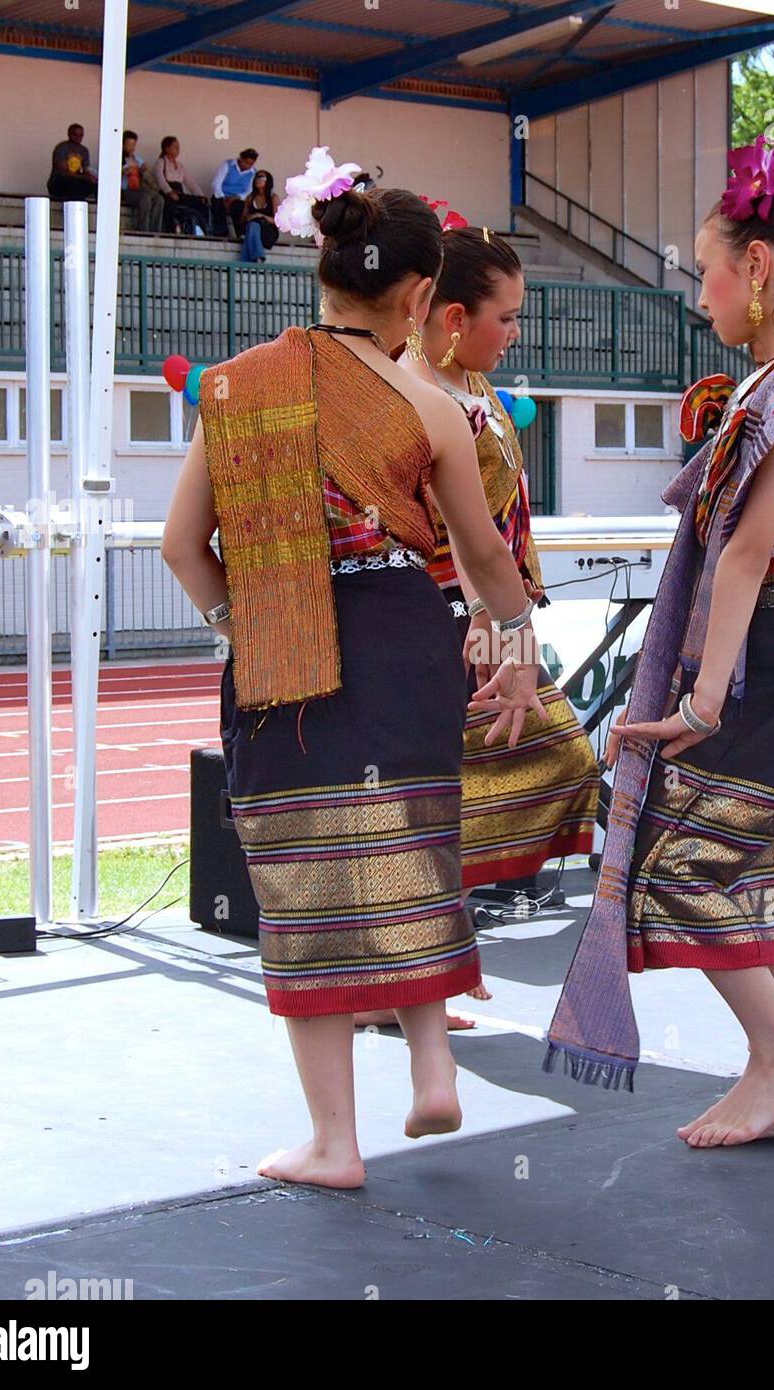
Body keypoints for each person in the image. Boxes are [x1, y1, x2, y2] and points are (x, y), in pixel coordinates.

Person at [162, 153, 545, 1190]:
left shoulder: (237, 388)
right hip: (405, 640)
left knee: (301, 886)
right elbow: (488, 561)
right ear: (422, 297)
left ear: (320, 271)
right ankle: (431, 1064)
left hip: (286, 650)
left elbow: (181, 544)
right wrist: (517, 659)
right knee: (412, 843)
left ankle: (334, 1141)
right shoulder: (434, 410)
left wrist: (247, 620)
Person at [546, 133, 774, 1147]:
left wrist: (702, 697)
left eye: (705, 271)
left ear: (758, 269)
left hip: (770, 664)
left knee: (686, 870)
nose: (699, 294)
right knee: (760, 863)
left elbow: (746, 554)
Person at [400, 223, 599, 891]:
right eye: (507, 317)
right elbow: (457, 524)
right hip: (448, 614)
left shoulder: (473, 382)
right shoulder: (415, 388)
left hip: (488, 605)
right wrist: (488, 612)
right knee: (440, 783)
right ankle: (434, 929)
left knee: (543, 757)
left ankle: (455, 915)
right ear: (454, 316)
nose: (516, 331)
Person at [153, 137, 209, 236]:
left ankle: (204, 228)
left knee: (200, 202)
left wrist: (201, 195)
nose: (178, 149)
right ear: (167, 148)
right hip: (166, 193)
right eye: (175, 147)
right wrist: (169, 191)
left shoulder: (180, 166)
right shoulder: (161, 162)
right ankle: (173, 228)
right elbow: (160, 179)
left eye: (178, 147)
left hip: (179, 193)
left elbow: (191, 183)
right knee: (170, 203)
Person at [120, 130, 164, 234]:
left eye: (133, 144)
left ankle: (155, 231)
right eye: (128, 144)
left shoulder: (137, 159)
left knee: (159, 199)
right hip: (125, 191)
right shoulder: (117, 157)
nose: (131, 147)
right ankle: (143, 230)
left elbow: (146, 175)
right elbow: (109, 175)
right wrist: (123, 172)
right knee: (146, 198)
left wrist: (143, 170)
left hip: (139, 189)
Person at [211, 148, 258, 237]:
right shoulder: (227, 164)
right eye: (246, 162)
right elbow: (216, 183)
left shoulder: (253, 173)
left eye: (250, 164)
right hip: (221, 195)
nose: (247, 166)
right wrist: (223, 198)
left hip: (237, 199)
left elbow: (249, 191)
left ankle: (241, 234)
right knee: (218, 205)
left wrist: (236, 197)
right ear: (241, 159)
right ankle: (221, 234)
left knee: (239, 207)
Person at [47, 123, 97, 201]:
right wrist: (83, 177)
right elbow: (63, 172)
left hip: (76, 182)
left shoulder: (84, 150)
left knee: (96, 185)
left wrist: (91, 177)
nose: (78, 137)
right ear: (69, 134)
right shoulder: (62, 148)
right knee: (73, 183)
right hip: (58, 183)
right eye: (75, 134)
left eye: (81, 135)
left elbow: (86, 169)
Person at [237, 170, 279, 262]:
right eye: (256, 177)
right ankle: (257, 258)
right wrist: (249, 217)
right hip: (252, 228)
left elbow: (277, 221)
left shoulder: (273, 197)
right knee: (252, 226)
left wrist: (260, 216)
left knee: (253, 226)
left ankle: (254, 257)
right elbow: (243, 218)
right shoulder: (250, 197)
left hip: (267, 231)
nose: (257, 180)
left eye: (261, 177)